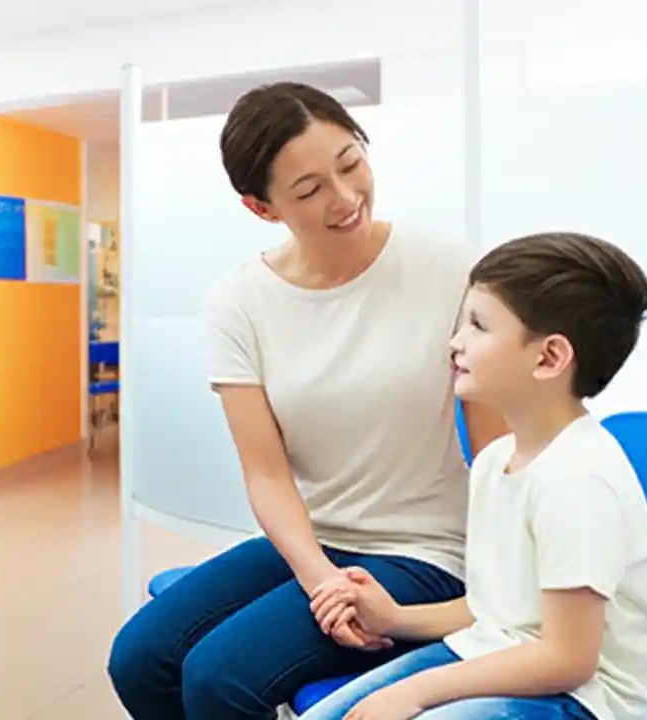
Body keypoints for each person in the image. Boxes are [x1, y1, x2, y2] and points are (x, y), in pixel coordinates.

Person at [107, 82, 506, 719]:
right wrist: (319, 577)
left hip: (426, 547)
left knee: (217, 678)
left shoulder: (449, 268)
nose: (345, 199)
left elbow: (495, 445)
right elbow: (265, 471)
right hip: (314, 539)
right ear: (262, 208)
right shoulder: (239, 302)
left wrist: (505, 576)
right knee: (139, 657)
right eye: (309, 189)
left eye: (350, 163)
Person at [302, 232, 647, 720]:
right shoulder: (496, 462)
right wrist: (395, 618)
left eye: (478, 325)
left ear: (549, 358)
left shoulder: (578, 481)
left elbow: (568, 659)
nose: (455, 341)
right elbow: (496, 610)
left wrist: (415, 692)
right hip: (497, 653)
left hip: (591, 699)